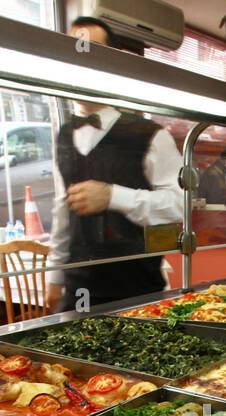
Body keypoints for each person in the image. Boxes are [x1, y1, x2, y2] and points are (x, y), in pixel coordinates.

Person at [44, 17, 184, 312]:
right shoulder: (64, 134)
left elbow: (180, 204)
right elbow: (62, 209)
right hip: (77, 286)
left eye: (90, 50)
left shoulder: (151, 135)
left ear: (110, 64)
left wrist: (113, 196)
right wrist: (54, 274)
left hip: (137, 286)